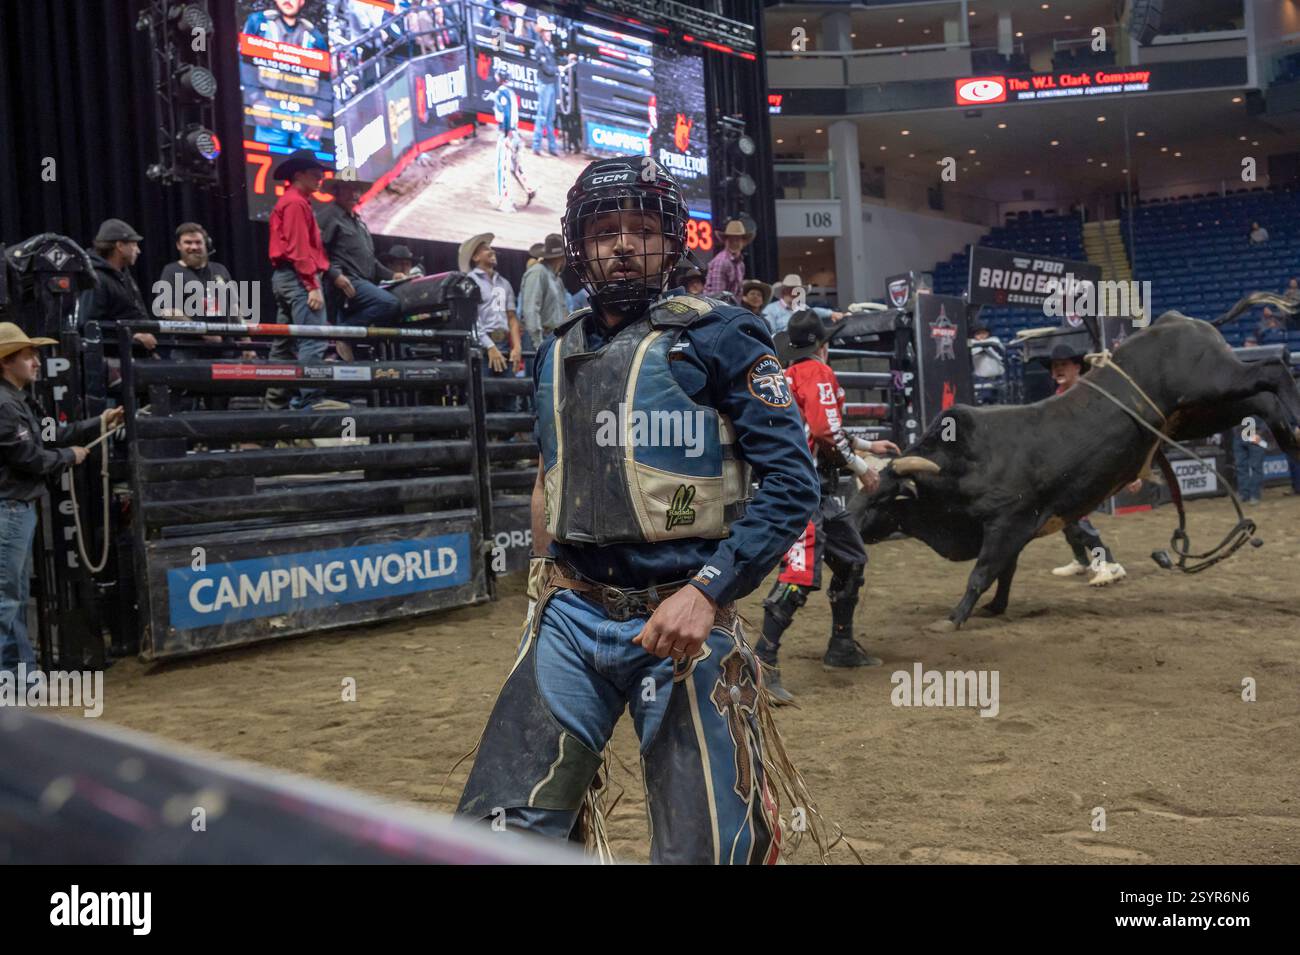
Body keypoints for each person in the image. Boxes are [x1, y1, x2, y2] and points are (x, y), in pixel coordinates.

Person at [456, 157, 822, 863]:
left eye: (642, 228)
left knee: (709, 848)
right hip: (573, 613)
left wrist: (709, 591)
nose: (623, 243)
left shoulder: (725, 335)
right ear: (579, 244)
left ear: (671, 240)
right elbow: (550, 473)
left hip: (685, 619)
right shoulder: (555, 348)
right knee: (497, 832)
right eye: (605, 230)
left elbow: (792, 482)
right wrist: (541, 588)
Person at [758, 310, 899, 703]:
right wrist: (864, 468)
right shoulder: (818, 373)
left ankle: (841, 645)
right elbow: (823, 430)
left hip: (807, 485)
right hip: (801, 487)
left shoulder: (789, 375)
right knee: (799, 572)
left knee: (850, 558)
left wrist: (869, 446)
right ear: (824, 345)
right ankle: (762, 661)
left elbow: (822, 427)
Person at [1, 324, 124, 675]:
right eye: (29, 355)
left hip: (16, 506)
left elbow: (51, 437)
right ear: (7, 362)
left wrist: (98, 422)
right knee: (8, 598)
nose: (37, 362)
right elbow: (29, 457)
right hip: (10, 506)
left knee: (14, 597)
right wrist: (68, 457)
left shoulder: (17, 400)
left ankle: (18, 677)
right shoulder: (6, 405)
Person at [1046, 344, 1139, 586]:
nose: (1058, 369)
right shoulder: (1059, 397)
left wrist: (1130, 472)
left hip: (1089, 466)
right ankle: (1081, 560)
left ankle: (1107, 562)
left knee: (1074, 517)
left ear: (1077, 367)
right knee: (1063, 516)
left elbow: (1111, 434)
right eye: (1055, 366)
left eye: (1063, 364)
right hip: (1069, 466)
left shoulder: (1090, 395)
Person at [263, 149, 346, 412]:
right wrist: (312, 285)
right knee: (313, 338)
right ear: (298, 175)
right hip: (299, 278)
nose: (320, 179)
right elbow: (300, 249)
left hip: (285, 278)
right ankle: (309, 400)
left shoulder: (290, 201)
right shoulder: (297, 203)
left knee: (284, 344)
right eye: (315, 174)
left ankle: (273, 408)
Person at [318, 178, 401, 327]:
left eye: (357, 190)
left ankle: (345, 337)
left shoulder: (358, 221)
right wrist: (335, 275)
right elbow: (316, 251)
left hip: (360, 283)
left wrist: (392, 275)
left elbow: (370, 260)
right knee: (389, 303)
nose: (354, 194)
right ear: (337, 191)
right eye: (348, 189)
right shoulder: (328, 216)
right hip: (346, 282)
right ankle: (343, 334)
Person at [79, 219, 158, 358]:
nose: (138, 251)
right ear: (120, 245)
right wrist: (133, 335)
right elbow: (88, 325)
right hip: (114, 362)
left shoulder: (123, 275)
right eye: (134, 244)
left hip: (133, 356)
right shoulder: (96, 279)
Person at [460, 232, 521, 406]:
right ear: (475, 256)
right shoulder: (469, 281)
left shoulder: (504, 283)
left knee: (508, 397)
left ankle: (507, 433)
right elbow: (470, 318)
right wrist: (490, 346)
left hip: (503, 346)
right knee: (483, 399)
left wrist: (517, 346)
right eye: (486, 249)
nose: (492, 251)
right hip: (480, 347)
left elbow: (511, 317)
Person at [492, 69, 535, 212]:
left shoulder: (501, 93)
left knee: (502, 168)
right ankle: (529, 188)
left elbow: (505, 114)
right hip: (515, 133)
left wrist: (506, 134)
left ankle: (504, 201)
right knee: (514, 167)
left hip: (508, 134)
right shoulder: (510, 92)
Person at [518, 233, 566, 351]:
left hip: (552, 337)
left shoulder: (556, 279)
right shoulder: (538, 272)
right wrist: (538, 343)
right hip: (540, 338)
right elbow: (531, 310)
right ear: (561, 257)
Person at [530, 15, 568, 157]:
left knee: (550, 116)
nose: (549, 34)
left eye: (549, 31)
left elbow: (552, 62)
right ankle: (536, 145)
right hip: (545, 84)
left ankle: (551, 147)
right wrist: (558, 69)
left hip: (550, 84)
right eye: (546, 31)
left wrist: (563, 62)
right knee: (542, 115)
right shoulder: (540, 48)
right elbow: (547, 68)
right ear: (542, 33)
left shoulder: (548, 46)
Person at [760, 274, 843, 336]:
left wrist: (831, 313)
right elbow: (770, 335)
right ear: (783, 292)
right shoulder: (770, 310)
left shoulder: (802, 307)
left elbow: (813, 311)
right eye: (791, 290)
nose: (794, 293)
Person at [703, 218, 751, 299]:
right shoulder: (721, 261)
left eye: (738, 239)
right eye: (731, 240)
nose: (734, 242)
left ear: (743, 242)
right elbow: (718, 295)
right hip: (716, 307)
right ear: (725, 241)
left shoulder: (740, 264)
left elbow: (737, 293)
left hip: (730, 306)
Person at [1232, 413, 1271, 505]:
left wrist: (1260, 433)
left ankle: (1254, 495)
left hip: (1255, 434)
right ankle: (1244, 494)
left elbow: (1268, 416)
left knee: (1256, 467)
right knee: (1240, 466)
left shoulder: (1258, 400)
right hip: (1239, 435)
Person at [968, 319, 1006, 405]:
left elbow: (1000, 353)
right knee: (982, 401)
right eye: (978, 334)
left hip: (997, 376)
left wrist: (987, 346)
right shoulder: (971, 343)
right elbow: (974, 350)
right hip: (980, 378)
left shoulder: (995, 340)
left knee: (999, 400)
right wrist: (982, 346)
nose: (981, 336)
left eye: (984, 333)